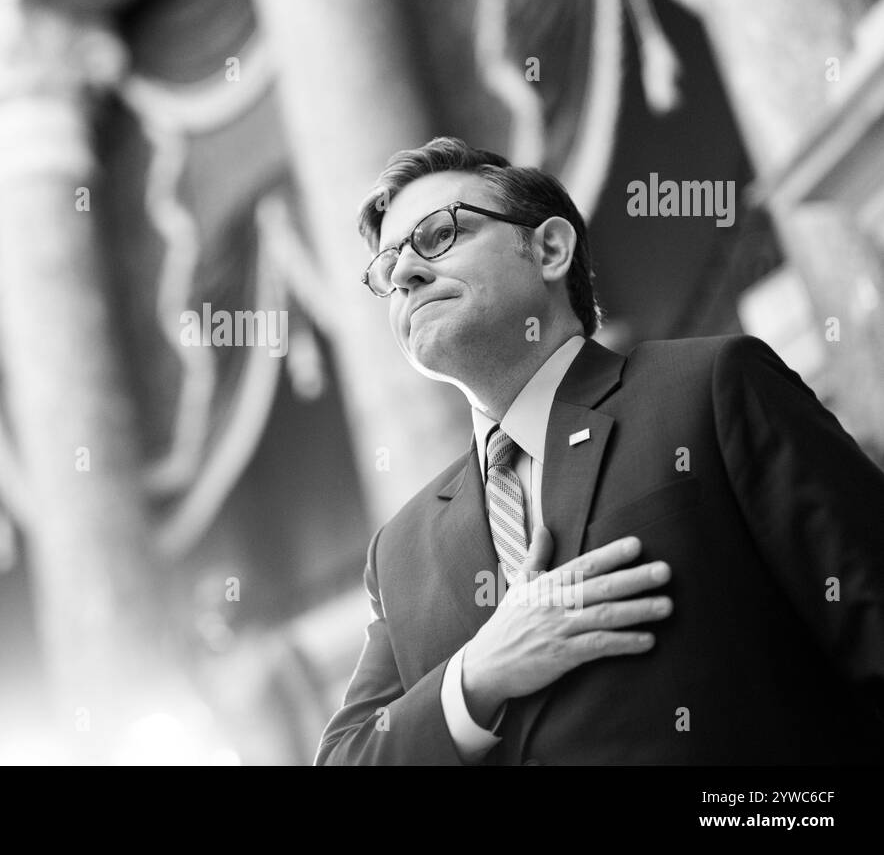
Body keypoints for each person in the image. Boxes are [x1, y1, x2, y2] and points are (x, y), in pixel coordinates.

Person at [315, 137, 884, 765]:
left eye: (438, 235)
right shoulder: (397, 553)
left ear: (550, 249)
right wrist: (475, 675)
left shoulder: (712, 388)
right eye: (387, 267)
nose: (403, 274)